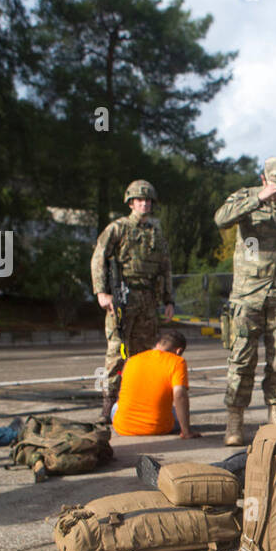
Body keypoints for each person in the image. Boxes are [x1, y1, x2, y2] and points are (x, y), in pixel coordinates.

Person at [213, 157, 276, 445]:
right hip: (247, 295)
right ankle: (234, 421)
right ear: (264, 179)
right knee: (241, 359)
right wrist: (258, 198)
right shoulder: (246, 197)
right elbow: (221, 219)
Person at [90, 179, 175, 423]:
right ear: (130, 202)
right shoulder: (118, 228)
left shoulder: (156, 233)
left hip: (148, 299)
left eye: (148, 200)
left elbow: (165, 268)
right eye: (139, 200)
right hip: (122, 298)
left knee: (145, 354)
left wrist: (169, 300)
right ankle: (108, 407)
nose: (144, 204)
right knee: (118, 351)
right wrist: (101, 292)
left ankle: (140, 402)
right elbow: (98, 258)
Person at [110, 331, 202, 439]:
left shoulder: (131, 360)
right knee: (176, 411)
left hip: (122, 426)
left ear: (158, 344)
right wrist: (186, 431)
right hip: (156, 427)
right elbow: (180, 395)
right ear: (178, 351)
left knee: (116, 406)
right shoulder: (177, 361)